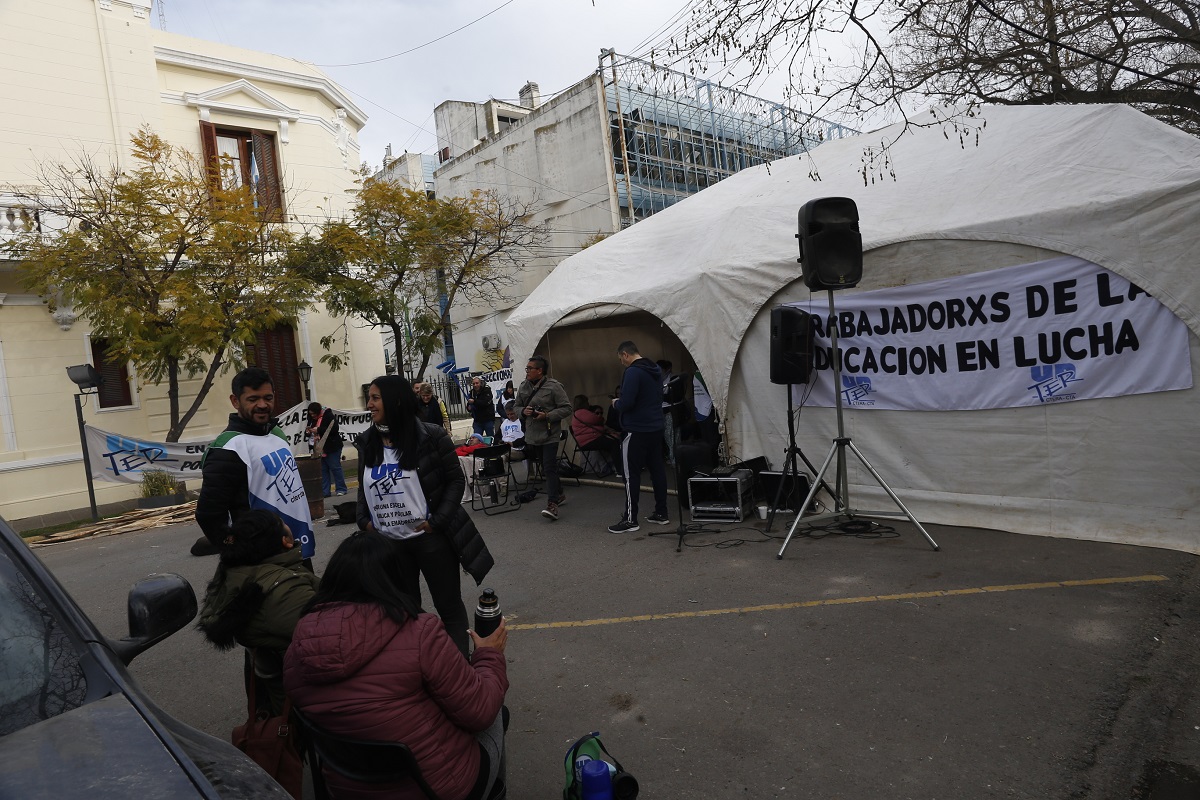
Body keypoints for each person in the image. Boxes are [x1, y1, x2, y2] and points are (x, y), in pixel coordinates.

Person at [284, 531, 508, 800]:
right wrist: (489, 656)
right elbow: (479, 711)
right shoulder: (419, 632)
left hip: (346, 788)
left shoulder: (297, 649)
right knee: (496, 713)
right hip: (436, 788)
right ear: (394, 578)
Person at [356, 375, 493, 656]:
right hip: (390, 544)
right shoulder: (367, 441)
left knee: (449, 607)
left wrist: (437, 522)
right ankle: (422, 671)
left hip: (431, 540)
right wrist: (364, 521)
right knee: (406, 612)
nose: (369, 404)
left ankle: (459, 674)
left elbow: (456, 481)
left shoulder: (431, 436)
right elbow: (362, 486)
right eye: (368, 398)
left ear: (396, 400)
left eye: (375, 397)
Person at [197, 509, 320, 716]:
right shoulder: (283, 590)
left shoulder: (238, 571)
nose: (288, 522)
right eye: (282, 522)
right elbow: (333, 635)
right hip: (311, 700)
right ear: (286, 542)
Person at [193, 367, 315, 562]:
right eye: (253, 399)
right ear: (235, 401)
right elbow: (209, 515)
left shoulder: (276, 433)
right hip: (262, 562)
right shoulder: (228, 449)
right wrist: (238, 549)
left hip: (297, 549)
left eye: (268, 398)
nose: (262, 405)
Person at [608, 341, 670, 533]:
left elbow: (627, 402)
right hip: (655, 427)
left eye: (621, 359)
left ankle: (630, 519)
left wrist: (616, 403)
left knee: (630, 474)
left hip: (636, 429)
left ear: (626, 354)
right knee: (657, 470)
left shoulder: (633, 372)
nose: (622, 363)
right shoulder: (656, 369)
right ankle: (661, 513)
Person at [514, 354, 572, 522]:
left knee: (549, 467)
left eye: (530, 369)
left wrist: (547, 415)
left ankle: (552, 504)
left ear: (540, 371)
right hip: (532, 436)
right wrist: (522, 412)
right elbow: (516, 406)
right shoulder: (524, 386)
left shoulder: (554, 387)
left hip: (549, 435)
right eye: (527, 368)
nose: (527, 371)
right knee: (546, 467)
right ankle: (559, 493)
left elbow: (567, 408)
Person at [570, 394, 622, 477]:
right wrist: (601, 425)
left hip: (586, 440)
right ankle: (620, 470)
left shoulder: (577, 413)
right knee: (614, 444)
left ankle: (615, 467)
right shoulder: (582, 412)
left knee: (612, 442)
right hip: (589, 440)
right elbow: (597, 419)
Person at [305, 401, 348, 498]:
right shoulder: (311, 419)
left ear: (318, 411)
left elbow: (334, 429)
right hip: (319, 448)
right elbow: (309, 432)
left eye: (314, 414)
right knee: (323, 470)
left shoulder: (328, 415)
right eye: (310, 414)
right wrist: (308, 432)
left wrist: (318, 430)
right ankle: (325, 491)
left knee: (335, 468)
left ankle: (341, 489)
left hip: (332, 446)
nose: (312, 416)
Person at [657, 359, 689, 466]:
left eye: (660, 369)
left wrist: (661, 397)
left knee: (674, 437)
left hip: (673, 412)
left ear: (667, 369)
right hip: (663, 412)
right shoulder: (658, 380)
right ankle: (673, 458)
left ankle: (676, 460)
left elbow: (676, 397)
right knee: (668, 437)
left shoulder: (674, 379)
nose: (658, 372)